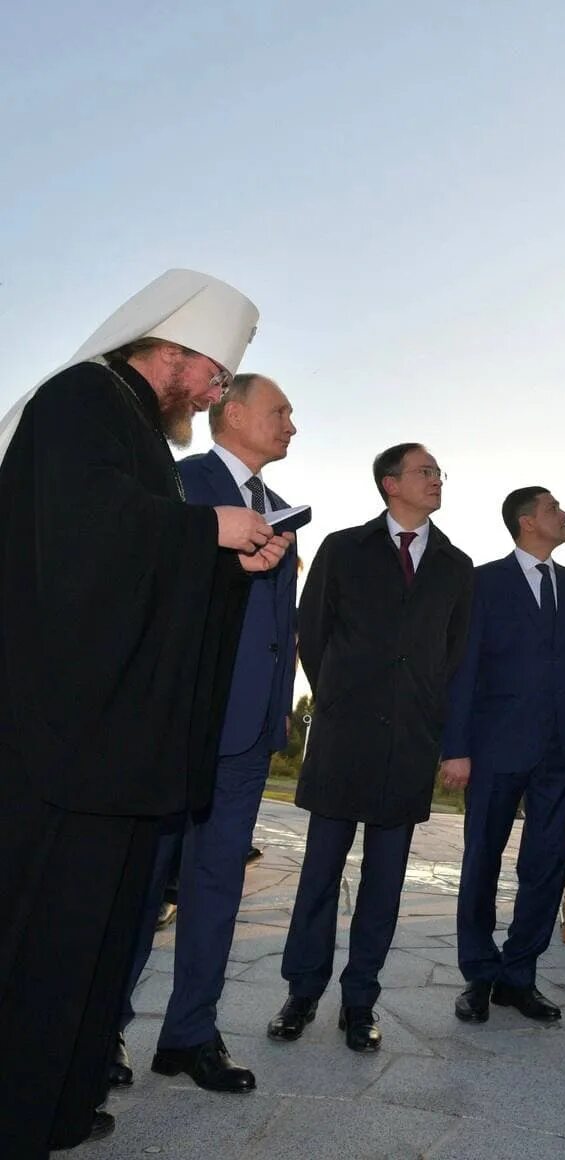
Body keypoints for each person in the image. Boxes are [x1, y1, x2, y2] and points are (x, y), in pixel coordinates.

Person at [0, 269, 291, 1157]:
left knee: (94, 935)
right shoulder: (79, 400)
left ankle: (56, 1097)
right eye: (211, 377)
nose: (213, 395)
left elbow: (149, 564)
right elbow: (86, 534)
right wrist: (207, 532)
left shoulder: (139, 433)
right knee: (46, 934)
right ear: (170, 352)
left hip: (113, 744)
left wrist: (224, 567)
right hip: (59, 738)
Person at [112, 374, 299, 1094]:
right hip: (179, 722)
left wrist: (278, 708)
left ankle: (190, 1034)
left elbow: (281, 623)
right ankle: (102, 1034)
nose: (291, 424)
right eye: (280, 411)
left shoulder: (281, 508)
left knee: (217, 886)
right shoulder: (178, 481)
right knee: (142, 884)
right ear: (235, 413)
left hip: (249, 730)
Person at [267, 443, 472, 1052]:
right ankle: (301, 993)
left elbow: (454, 652)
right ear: (390, 484)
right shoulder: (342, 548)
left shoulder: (456, 566)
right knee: (320, 874)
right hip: (343, 735)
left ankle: (360, 1002)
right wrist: (336, 693)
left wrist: (431, 714)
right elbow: (311, 629)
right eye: (425, 470)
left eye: (439, 471)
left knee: (385, 884)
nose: (437, 479)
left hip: (409, 745)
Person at [442, 487, 565, 1024]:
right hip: (494, 748)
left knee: (546, 867)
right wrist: (457, 748)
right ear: (526, 521)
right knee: (481, 862)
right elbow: (463, 668)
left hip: (561, 753)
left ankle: (519, 976)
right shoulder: (482, 582)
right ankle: (479, 975)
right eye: (555, 507)